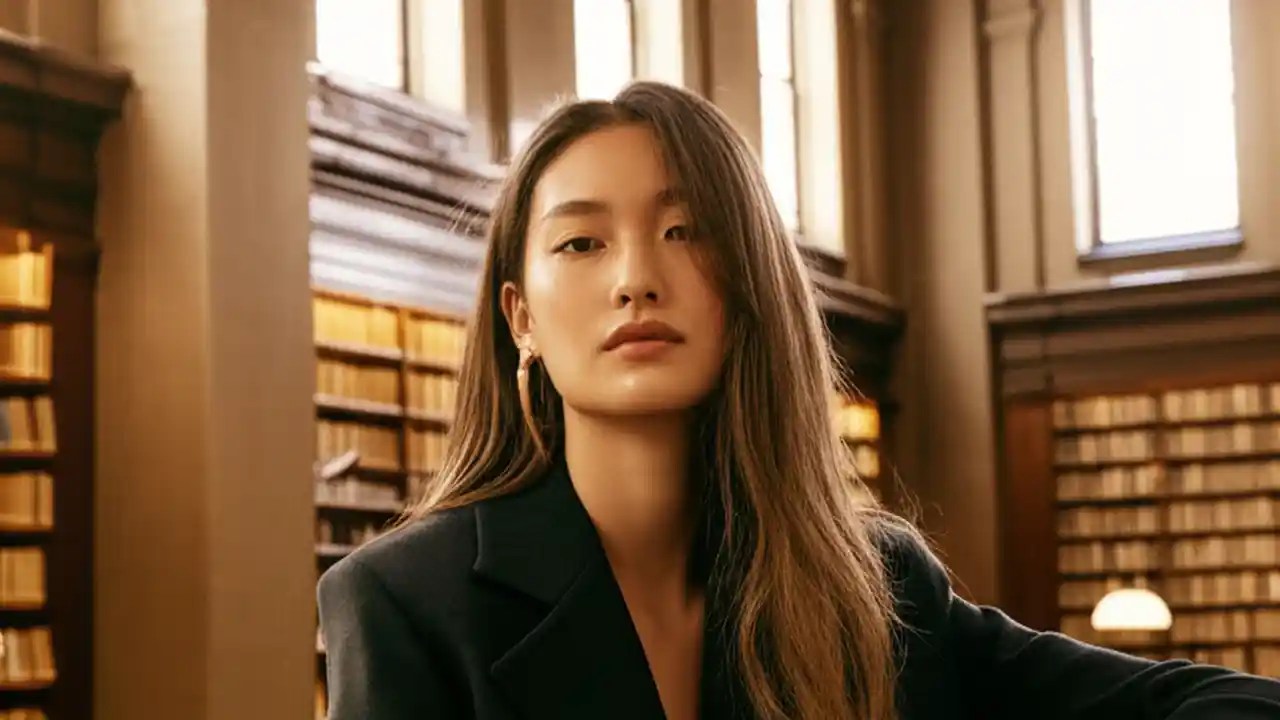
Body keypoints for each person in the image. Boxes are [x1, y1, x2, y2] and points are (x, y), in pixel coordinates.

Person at [316, 81, 1280, 720]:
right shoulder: (407, 602)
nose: (636, 280)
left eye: (687, 231)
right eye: (583, 243)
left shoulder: (876, 585)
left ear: (747, 292)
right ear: (519, 317)